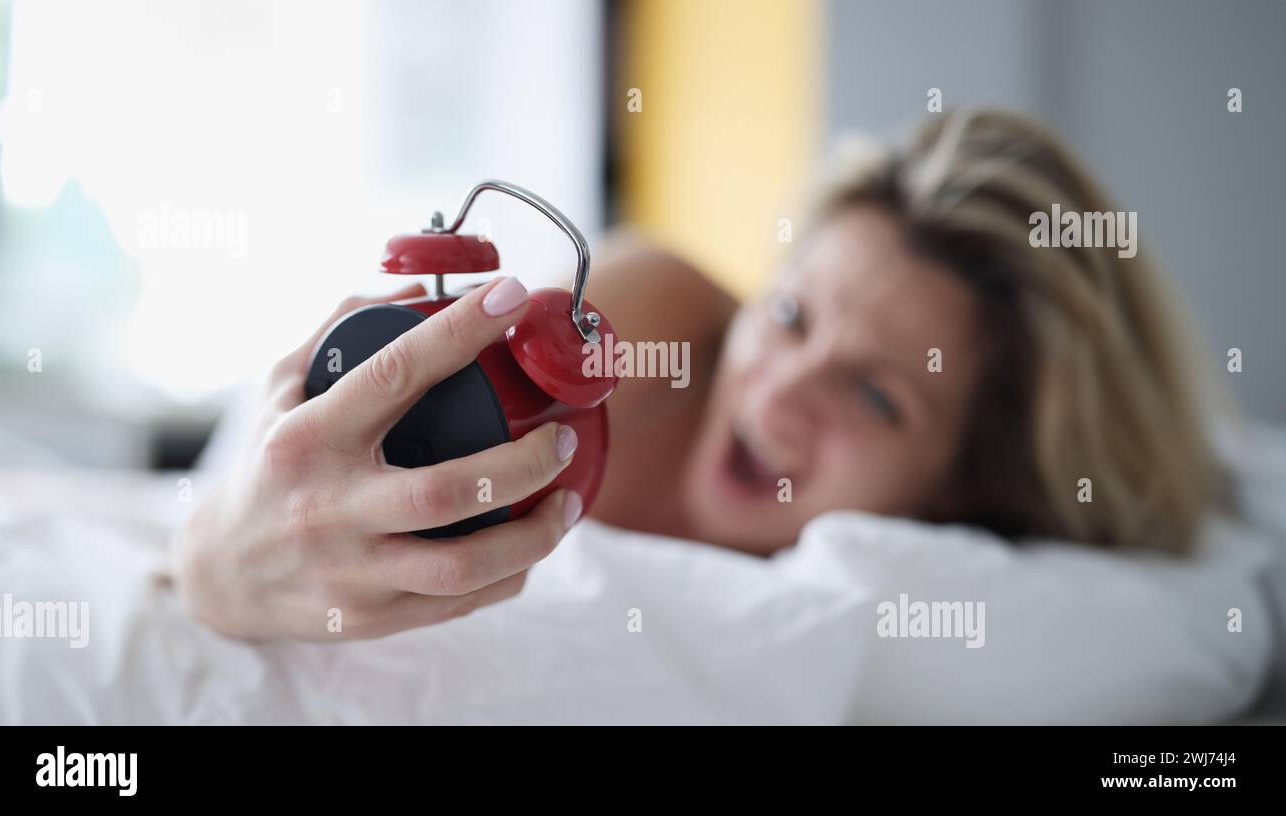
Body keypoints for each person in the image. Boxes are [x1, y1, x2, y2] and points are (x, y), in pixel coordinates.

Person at [172, 109, 1224, 640]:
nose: (775, 393)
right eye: (791, 314)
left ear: (967, 486)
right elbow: (284, 483)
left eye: (874, 394)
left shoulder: (927, 592)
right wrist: (216, 562)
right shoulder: (639, 330)